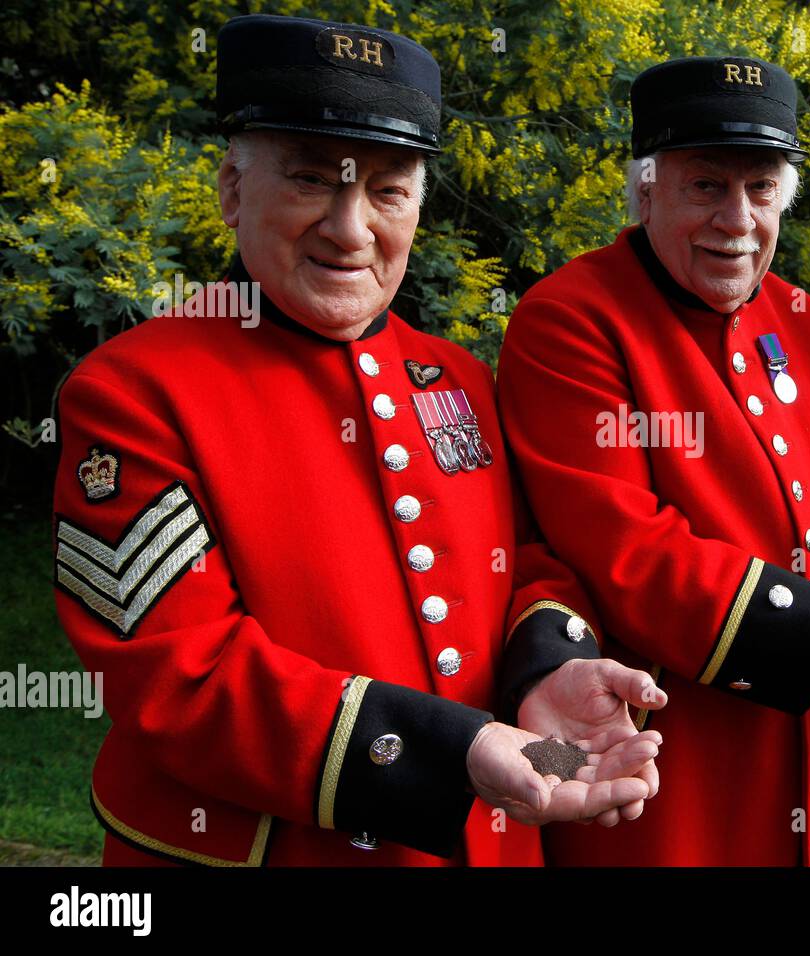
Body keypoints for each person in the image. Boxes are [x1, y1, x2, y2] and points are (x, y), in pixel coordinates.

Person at [52, 13, 664, 868]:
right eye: (310, 180)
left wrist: (546, 671)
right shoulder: (132, 393)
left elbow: (525, 561)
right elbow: (177, 672)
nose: (351, 229)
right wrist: (453, 748)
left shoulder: (454, 375)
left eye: (388, 191)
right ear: (232, 188)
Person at [497, 56, 810, 866]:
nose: (738, 220)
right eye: (706, 186)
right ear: (646, 189)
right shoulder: (569, 318)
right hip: (660, 755)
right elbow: (626, 549)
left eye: (761, 189)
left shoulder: (797, 312)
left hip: (801, 733)